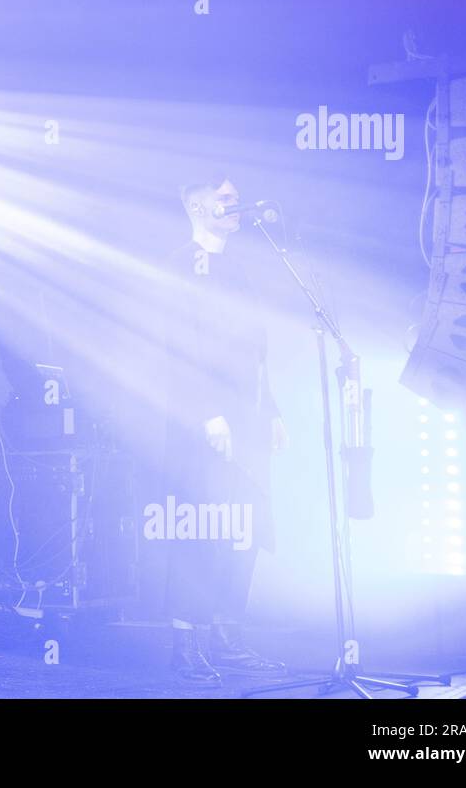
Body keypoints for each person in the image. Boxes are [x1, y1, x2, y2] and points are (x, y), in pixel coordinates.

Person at [161, 173, 288, 686]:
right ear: (196, 204)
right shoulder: (179, 267)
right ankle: (186, 642)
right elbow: (179, 347)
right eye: (226, 199)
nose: (237, 207)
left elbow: (254, 351)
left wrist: (273, 409)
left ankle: (226, 636)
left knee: (244, 527)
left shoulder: (237, 270)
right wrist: (208, 411)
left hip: (249, 418)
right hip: (205, 422)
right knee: (201, 527)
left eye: (237, 199)